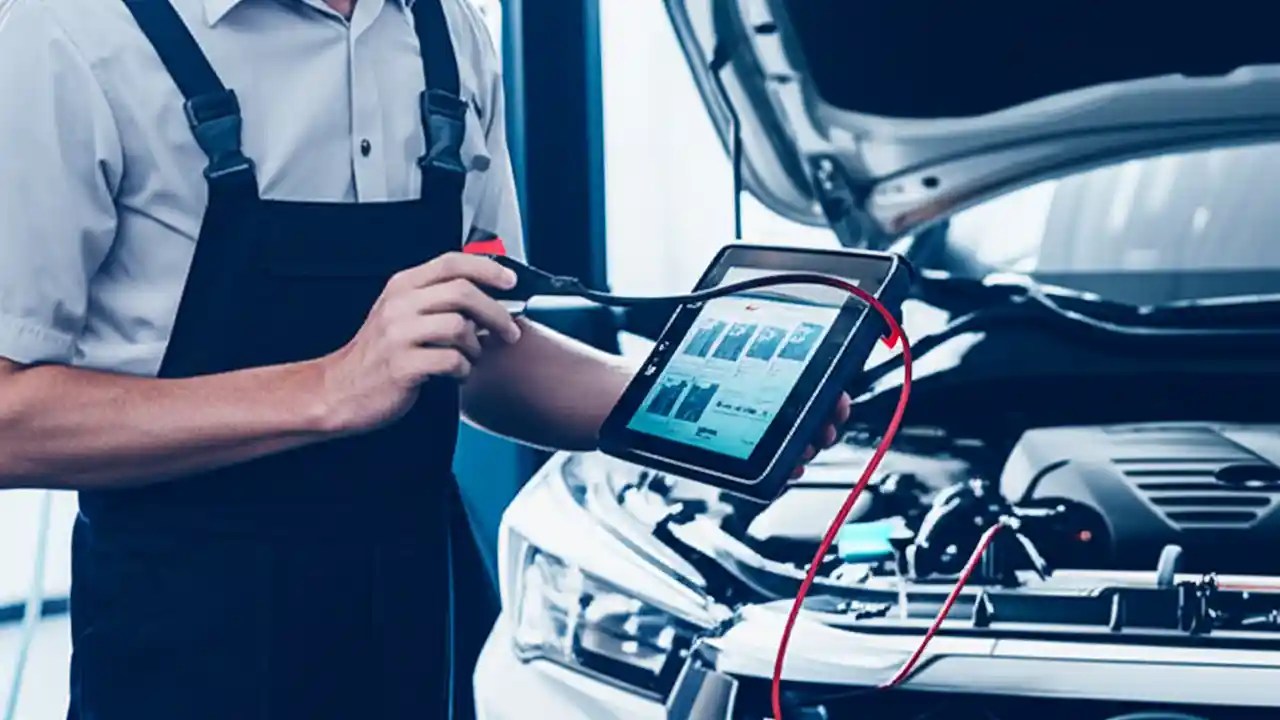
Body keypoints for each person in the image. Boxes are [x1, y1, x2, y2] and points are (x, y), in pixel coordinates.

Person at [0, 0, 851, 718]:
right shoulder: (63, 34)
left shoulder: (447, 30)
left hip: (420, 615)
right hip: (189, 635)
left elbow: (481, 353)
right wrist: (331, 388)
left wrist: (695, 411)